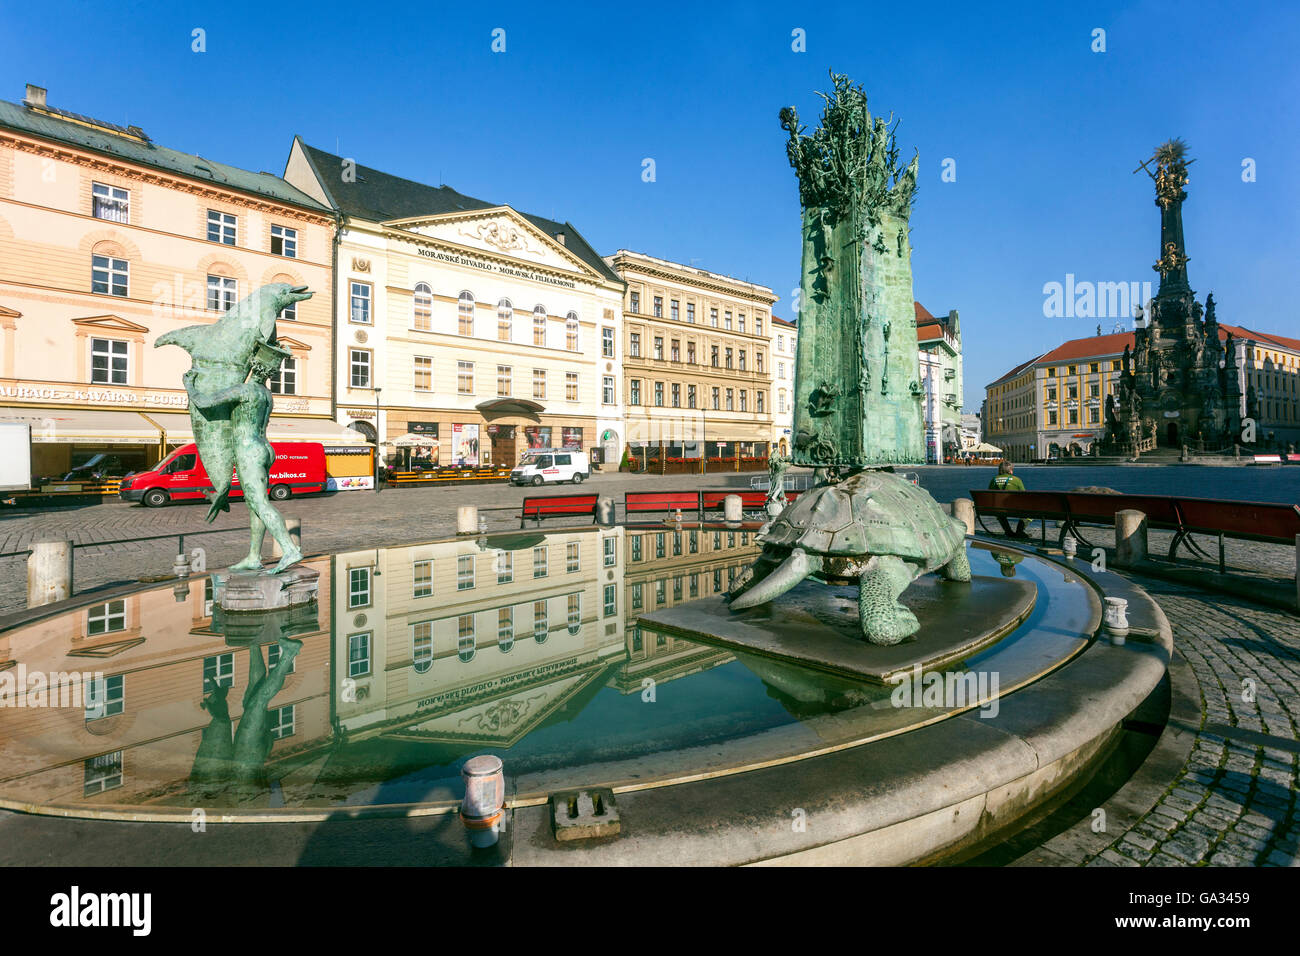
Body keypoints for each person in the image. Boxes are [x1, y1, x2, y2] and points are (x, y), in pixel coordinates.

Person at [988, 461, 1027, 538]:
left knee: (1000, 513)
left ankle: (1008, 531)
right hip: (1016, 509)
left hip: (999, 508)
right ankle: (1019, 531)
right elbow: (1024, 494)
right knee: (1030, 514)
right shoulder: (1017, 480)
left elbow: (989, 493)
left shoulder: (994, 479)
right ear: (1010, 470)